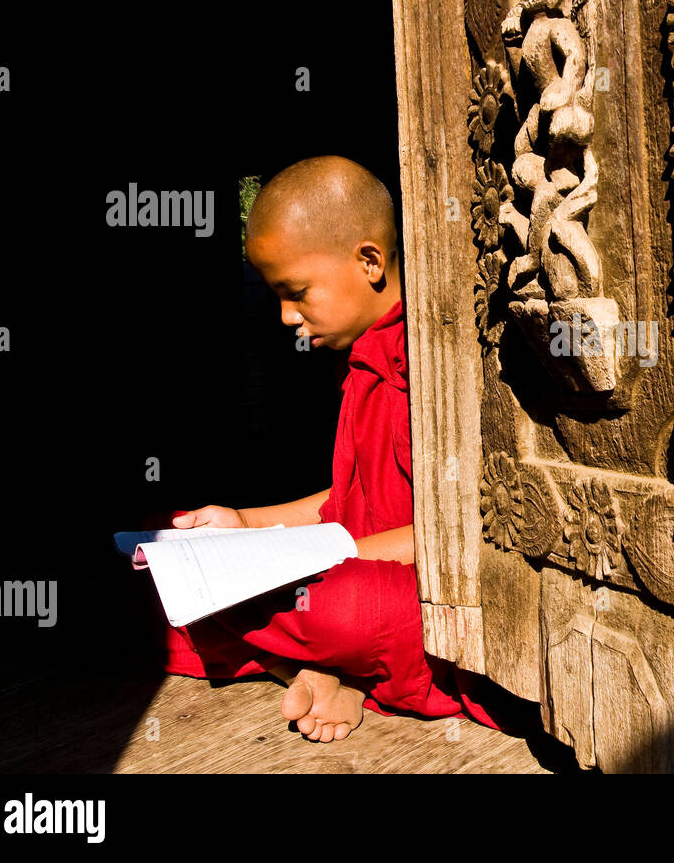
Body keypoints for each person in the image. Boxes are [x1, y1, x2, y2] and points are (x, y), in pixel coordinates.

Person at [164, 155, 530, 743]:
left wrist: (315, 557)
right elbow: (349, 495)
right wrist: (242, 524)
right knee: (167, 555)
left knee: (347, 611)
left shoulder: (438, 355)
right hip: (343, 564)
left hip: (412, 589)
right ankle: (310, 670)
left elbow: (449, 532)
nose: (286, 316)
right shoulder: (358, 361)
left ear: (369, 261)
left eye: (297, 292)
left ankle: (320, 659)